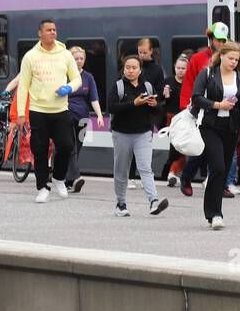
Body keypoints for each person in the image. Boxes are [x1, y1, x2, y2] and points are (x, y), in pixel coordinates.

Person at [188, 42, 240, 229]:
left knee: (222, 172)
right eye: (231, 58)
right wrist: (218, 105)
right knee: (217, 167)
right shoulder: (208, 73)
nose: (234, 62)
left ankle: (212, 212)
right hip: (210, 127)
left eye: (237, 59)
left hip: (231, 129)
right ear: (222, 56)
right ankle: (215, 214)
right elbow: (196, 97)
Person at [16, 19, 82, 203]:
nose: (53, 32)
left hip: (60, 110)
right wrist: (21, 113)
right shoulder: (30, 56)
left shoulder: (65, 55)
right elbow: (23, 86)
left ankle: (59, 177)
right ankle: (42, 187)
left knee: (66, 146)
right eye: (48, 30)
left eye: (54, 30)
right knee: (40, 150)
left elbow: (77, 79)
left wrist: (69, 88)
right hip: (38, 110)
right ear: (40, 33)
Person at [109, 55, 169, 218]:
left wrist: (154, 105)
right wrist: (133, 103)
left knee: (145, 168)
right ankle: (120, 204)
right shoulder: (118, 86)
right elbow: (112, 107)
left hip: (143, 133)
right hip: (121, 133)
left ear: (140, 69)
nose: (130, 70)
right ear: (124, 69)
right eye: (127, 67)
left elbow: (157, 112)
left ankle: (153, 201)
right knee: (121, 169)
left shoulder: (148, 86)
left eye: (134, 67)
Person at [179, 23, 229, 198]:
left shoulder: (228, 59)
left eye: (224, 40)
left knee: (219, 150)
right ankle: (186, 177)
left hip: (222, 111)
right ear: (211, 39)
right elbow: (189, 83)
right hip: (200, 110)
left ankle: (219, 185)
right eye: (218, 40)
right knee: (201, 148)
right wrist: (187, 106)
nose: (221, 44)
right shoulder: (199, 58)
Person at [65, 45, 103, 194]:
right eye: (76, 59)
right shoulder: (64, 76)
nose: (79, 61)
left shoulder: (88, 77)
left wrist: (99, 115)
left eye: (82, 58)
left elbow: (94, 98)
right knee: (70, 147)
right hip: (66, 116)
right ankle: (75, 178)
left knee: (77, 148)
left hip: (83, 119)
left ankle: (66, 179)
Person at [159, 52, 190, 185]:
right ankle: (170, 171)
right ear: (174, 67)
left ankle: (170, 172)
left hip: (186, 117)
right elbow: (161, 100)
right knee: (177, 146)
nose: (180, 71)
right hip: (171, 118)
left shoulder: (190, 83)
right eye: (178, 68)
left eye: (183, 68)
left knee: (181, 147)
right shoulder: (168, 82)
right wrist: (165, 95)